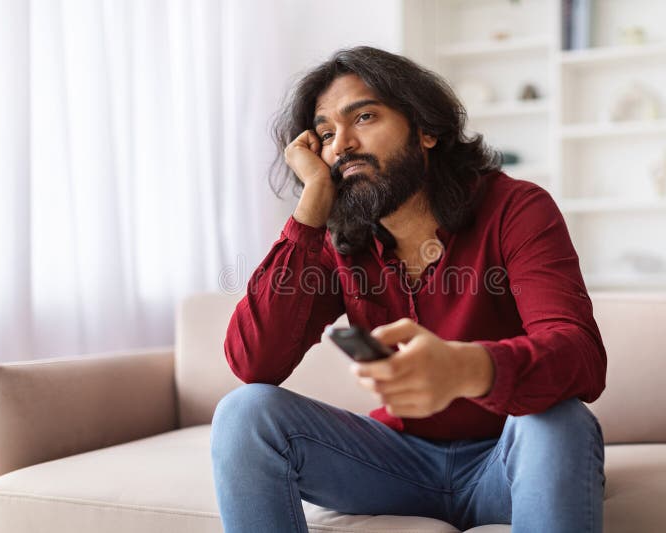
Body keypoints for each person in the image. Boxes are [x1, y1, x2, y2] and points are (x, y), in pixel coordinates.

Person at [211, 45, 607, 533]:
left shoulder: (516, 208)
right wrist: (311, 205)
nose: (342, 145)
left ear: (425, 130)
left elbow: (580, 356)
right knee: (244, 413)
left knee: (560, 419)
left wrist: (466, 369)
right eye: (327, 134)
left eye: (365, 117)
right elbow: (253, 362)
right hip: (395, 468)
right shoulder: (341, 241)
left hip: (506, 461)